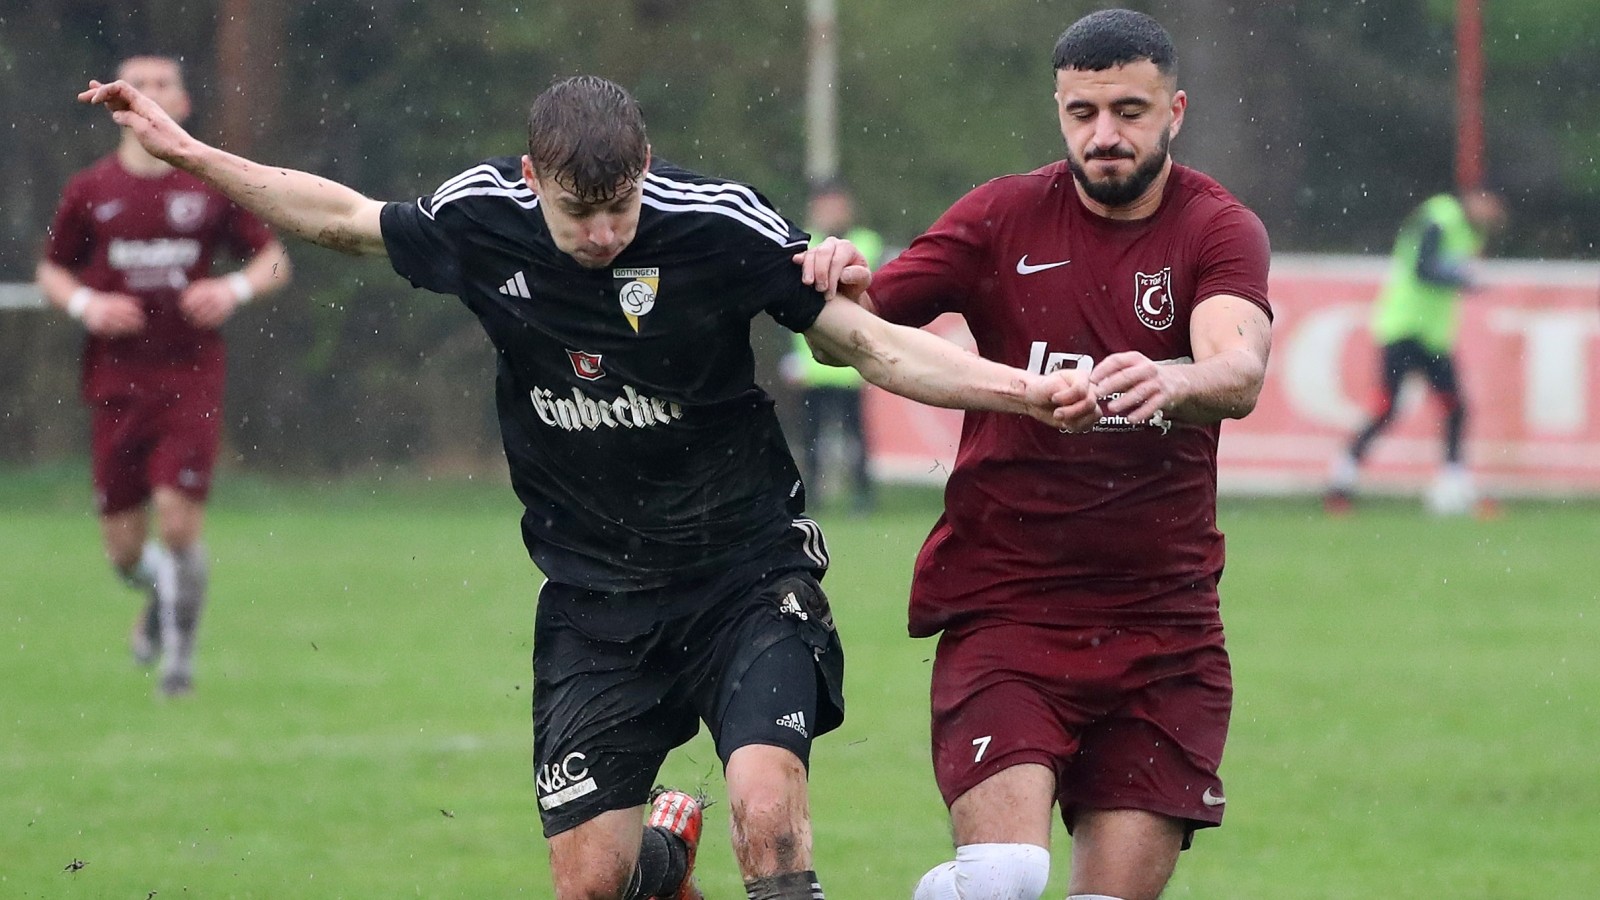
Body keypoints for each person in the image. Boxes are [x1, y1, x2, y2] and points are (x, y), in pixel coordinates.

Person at [79, 73, 1092, 900]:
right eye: (577, 214)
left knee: (767, 811)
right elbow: (343, 218)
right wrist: (189, 154)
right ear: (532, 179)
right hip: (595, 597)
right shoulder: (482, 218)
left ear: (645, 170)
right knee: (593, 884)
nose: (602, 235)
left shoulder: (718, 228)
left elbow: (870, 346)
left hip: (746, 576)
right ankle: (661, 872)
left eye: (618, 209)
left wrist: (1026, 393)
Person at [801, 10, 1272, 900]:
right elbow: (855, 330)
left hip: (1164, 630)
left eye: (1129, 111)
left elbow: (1238, 369)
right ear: (1059, 111)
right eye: (1082, 113)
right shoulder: (1003, 216)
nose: (1105, 135)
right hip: (1009, 607)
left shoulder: (1218, 228)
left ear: (1176, 109)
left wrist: (1174, 381)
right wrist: (839, 279)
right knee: (1002, 876)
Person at [36, 54, 291, 698]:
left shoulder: (208, 186)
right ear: (114, 104)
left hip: (189, 378)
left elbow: (273, 262)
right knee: (124, 553)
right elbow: (52, 271)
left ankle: (178, 664)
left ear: (182, 104)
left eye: (163, 85)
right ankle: (157, 598)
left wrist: (231, 289)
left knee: (178, 525)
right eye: (137, 85)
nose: (149, 95)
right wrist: (88, 304)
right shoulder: (89, 191)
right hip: (116, 384)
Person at [1324, 189, 1506, 516]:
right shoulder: (1440, 216)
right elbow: (1423, 267)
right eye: (1493, 204)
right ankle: (1341, 478)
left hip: (1433, 335)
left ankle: (1453, 484)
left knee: (1455, 406)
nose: (1494, 215)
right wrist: (1462, 277)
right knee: (1387, 407)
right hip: (1404, 327)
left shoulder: (1470, 230)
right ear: (1478, 197)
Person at [781, 180, 885, 512]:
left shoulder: (867, 242)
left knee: (856, 437)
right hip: (814, 366)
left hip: (854, 365)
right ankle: (811, 497)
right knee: (811, 439)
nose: (831, 211)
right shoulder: (801, 241)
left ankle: (862, 497)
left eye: (836, 204)